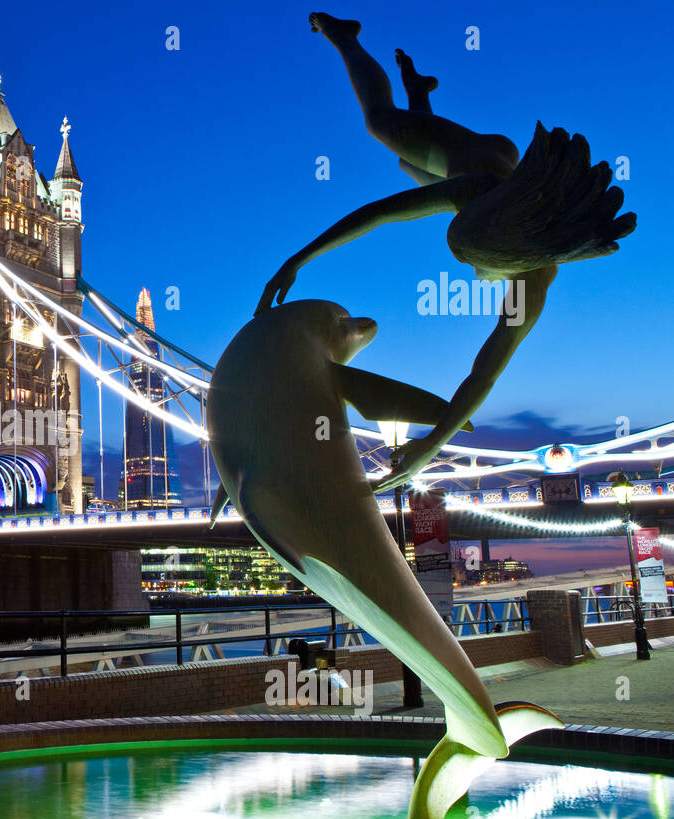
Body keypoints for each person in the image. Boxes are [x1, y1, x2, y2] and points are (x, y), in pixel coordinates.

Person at [258, 13, 635, 491]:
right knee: (381, 123)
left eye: (476, 265)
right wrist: (297, 260)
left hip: (488, 169)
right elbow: (376, 214)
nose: (474, 275)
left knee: (406, 161)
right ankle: (345, 37)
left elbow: (483, 373)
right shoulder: (474, 192)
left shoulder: (535, 280)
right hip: (477, 157)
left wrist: (431, 447)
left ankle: (419, 90)